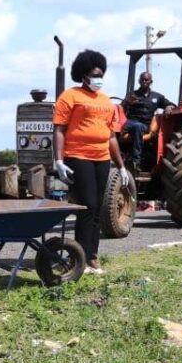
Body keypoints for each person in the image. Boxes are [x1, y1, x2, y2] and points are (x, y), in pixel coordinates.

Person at [53, 49, 130, 275]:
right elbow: (59, 129)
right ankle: (79, 257)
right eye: (95, 74)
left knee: (98, 209)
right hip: (78, 155)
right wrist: (59, 160)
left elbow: (111, 136)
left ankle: (92, 257)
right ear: (84, 75)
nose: (98, 79)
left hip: (102, 158)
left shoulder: (107, 102)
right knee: (88, 205)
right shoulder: (70, 96)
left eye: (101, 75)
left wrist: (122, 165)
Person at [122, 71, 173, 170]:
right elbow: (122, 107)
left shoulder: (157, 97)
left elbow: (169, 104)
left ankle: (135, 161)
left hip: (145, 125)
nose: (144, 81)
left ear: (151, 81)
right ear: (139, 81)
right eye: (142, 79)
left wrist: (168, 107)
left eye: (146, 80)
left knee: (139, 126)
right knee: (119, 127)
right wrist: (127, 103)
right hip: (130, 122)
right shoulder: (132, 94)